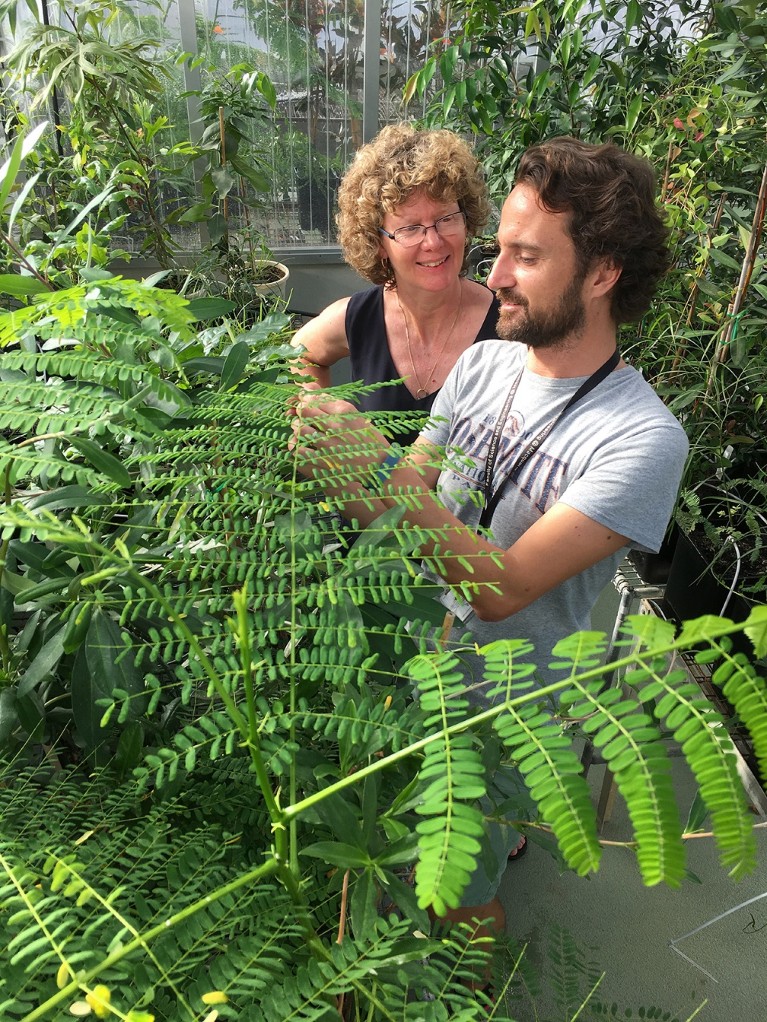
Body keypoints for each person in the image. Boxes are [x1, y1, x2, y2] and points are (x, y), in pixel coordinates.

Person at [292, 137, 689, 946]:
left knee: (456, 904)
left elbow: (500, 587)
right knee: (404, 859)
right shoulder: (483, 371)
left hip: (506, 717)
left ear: (602, 271)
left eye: (525, 256)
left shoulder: (641, 440)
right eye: (499, 249)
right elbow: (406, 508)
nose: (495, 274)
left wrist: (368, 457)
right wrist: (345, 476)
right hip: (415, 675)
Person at [291, 123, 501, 444]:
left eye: (446, 219)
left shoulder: (507, 325)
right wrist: (317, 407)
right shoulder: (360, 318)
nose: (433, 242)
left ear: (467, 220)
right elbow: (297, 354)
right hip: (366, 495)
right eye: (410, 228)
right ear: (378, 243)